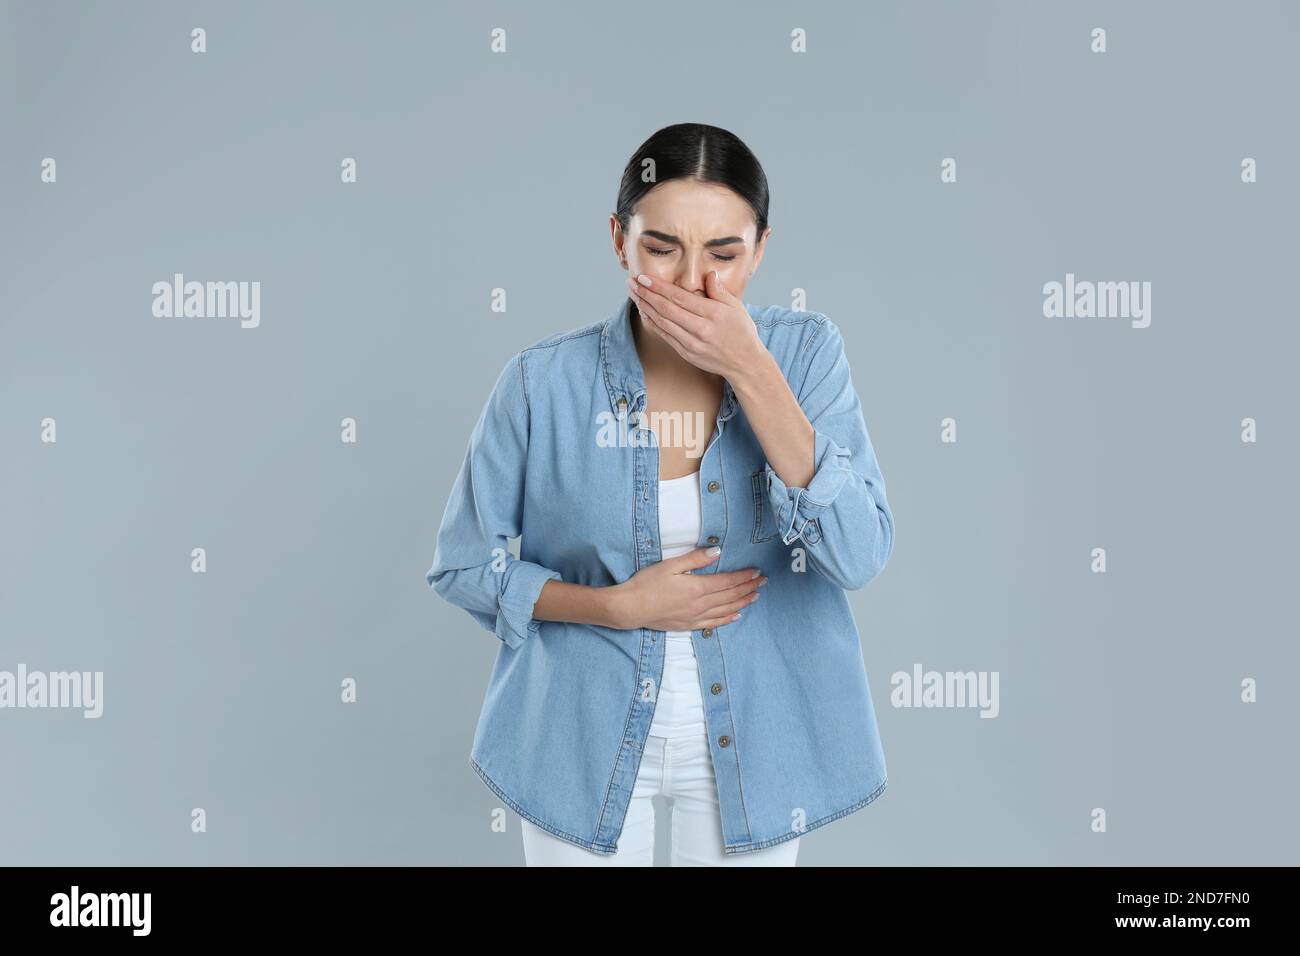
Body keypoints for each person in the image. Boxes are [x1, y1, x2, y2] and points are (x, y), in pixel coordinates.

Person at [427, 122, 895, 866]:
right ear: (619, 240)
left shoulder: (804, 357)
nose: (690, 283)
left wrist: (752, 371)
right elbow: (462, 566)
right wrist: (614, 606)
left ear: (762, 249)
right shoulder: (540, 385)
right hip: (577, 739)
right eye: (661, 247)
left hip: (757, 741)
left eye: (724, 254)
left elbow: (858, 553)